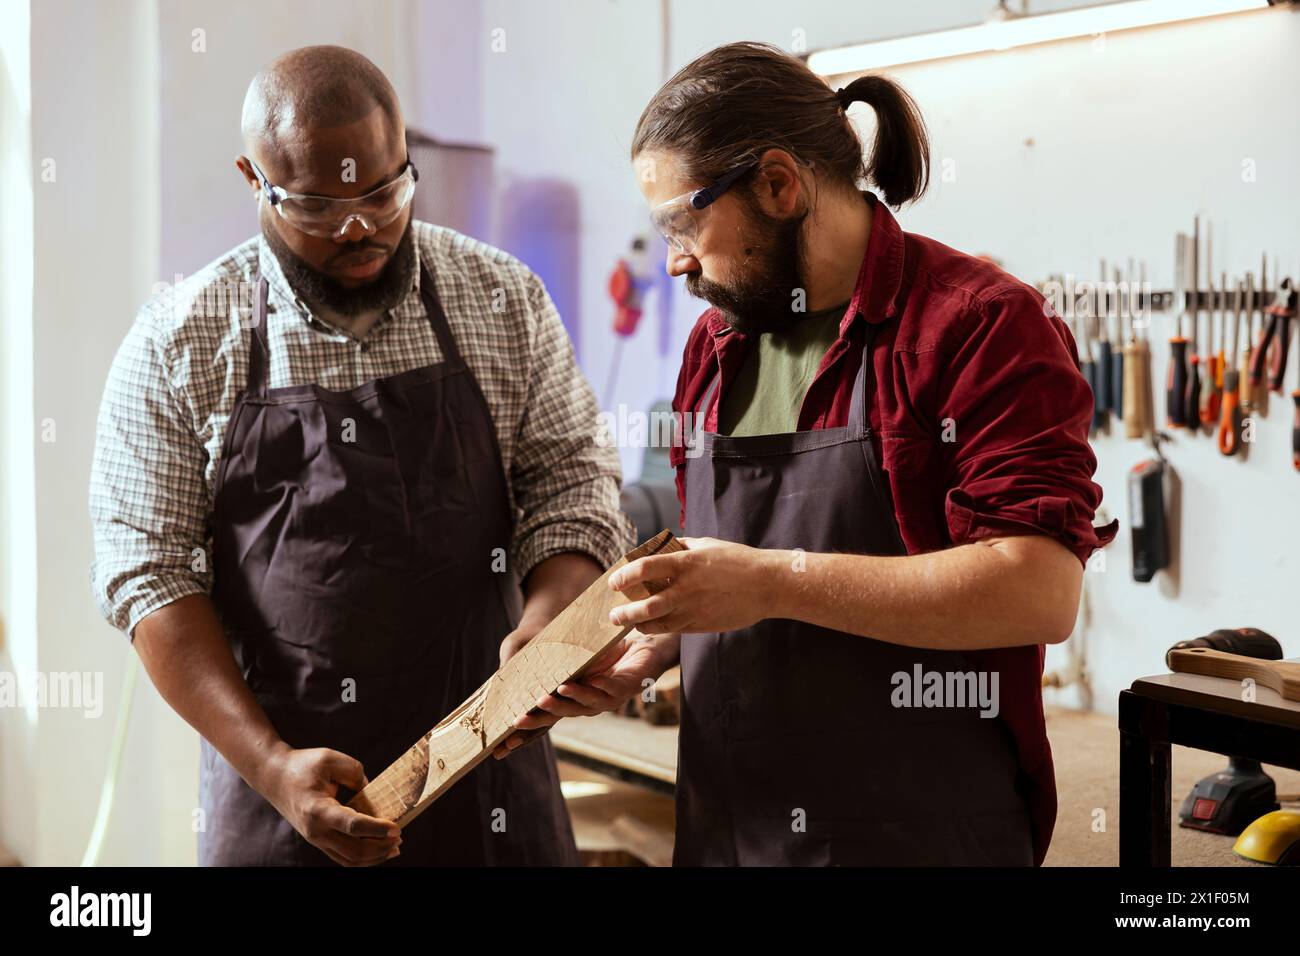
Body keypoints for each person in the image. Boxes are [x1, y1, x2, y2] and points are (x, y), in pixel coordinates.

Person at [510, 42, 1118, 866]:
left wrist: (767, 581)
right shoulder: (716, 346)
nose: (676, 260)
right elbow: (720, 571)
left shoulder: (978, 325)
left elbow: (1038, 589)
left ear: (777, 185)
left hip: (917, 837)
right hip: (732, 828)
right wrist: (648, 650)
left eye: (684, 223)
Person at [89, 45, 633, 866]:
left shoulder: (501, 297)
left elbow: (573, 485)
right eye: (317, 206)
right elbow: (148, 573)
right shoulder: (180, 341)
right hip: (282, 799)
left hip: (492, 788)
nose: (359, 228)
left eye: (384, 193)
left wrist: (551, 624)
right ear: (254, 177)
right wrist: (272, 768)